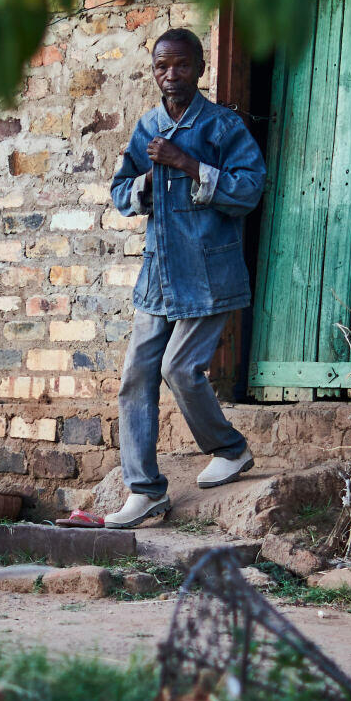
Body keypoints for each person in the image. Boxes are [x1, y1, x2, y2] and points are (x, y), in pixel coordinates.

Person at [105, 26, 268, 529]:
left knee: (180, 368)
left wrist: (189, 164)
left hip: (208, 271)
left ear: (200, 68)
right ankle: (145, 490)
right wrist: (148, 182)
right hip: (159, 273)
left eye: (180, 65)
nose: (170, 74)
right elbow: (118, 190)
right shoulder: (147, 125)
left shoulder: (222, 127)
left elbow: (250, 189)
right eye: (160, 66)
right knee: (136, 375)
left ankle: (229, 449)